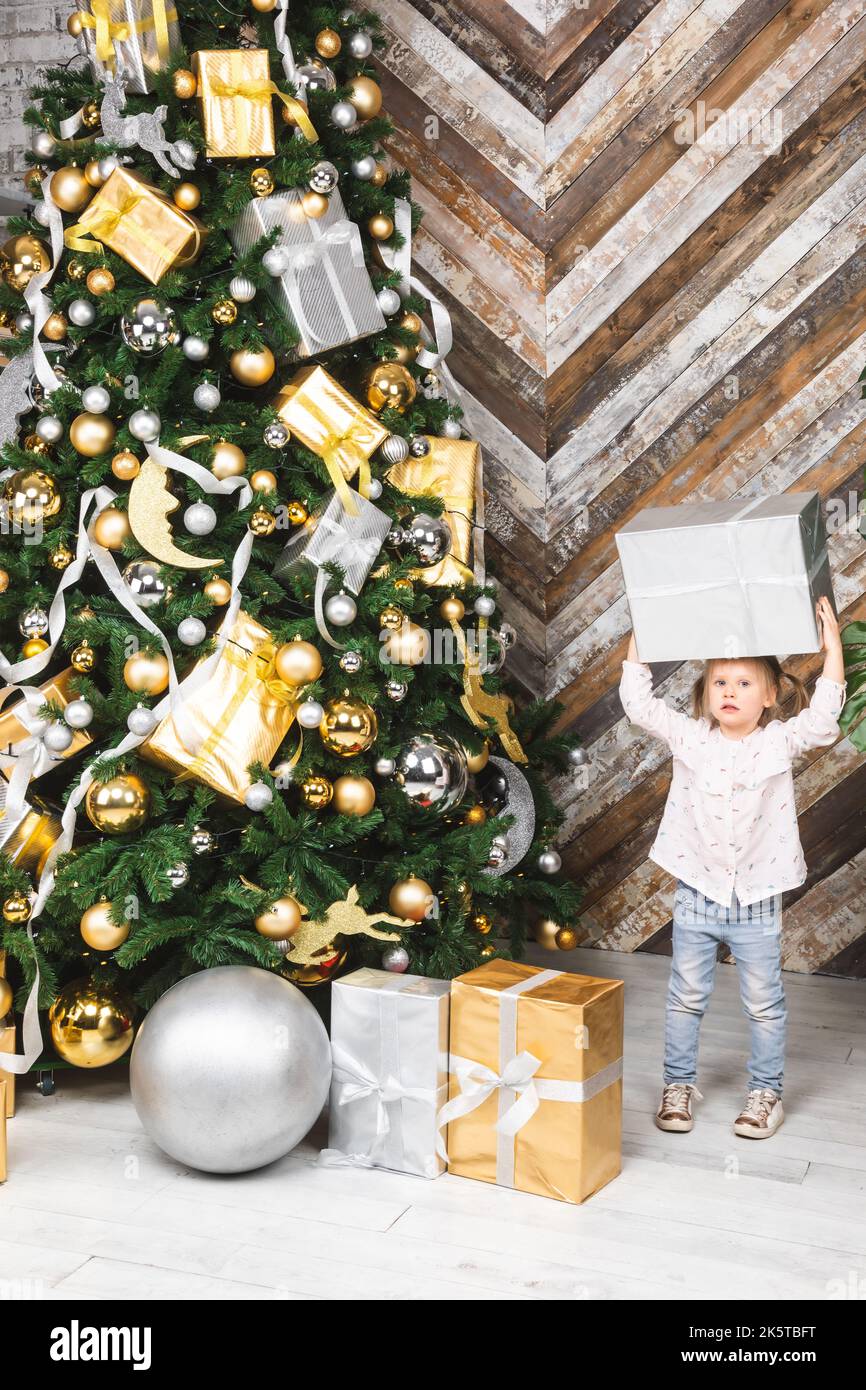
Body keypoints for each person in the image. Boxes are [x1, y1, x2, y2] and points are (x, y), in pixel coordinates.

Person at [619, 596, 846, 1139]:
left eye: (744, 683)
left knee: (764, 1005)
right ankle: (678, 1086)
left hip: (758, 900)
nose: (729, 691)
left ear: (769, 696)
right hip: (697, 894)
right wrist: (644, 627)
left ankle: (766, 1094)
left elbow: (823, 716)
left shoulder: (779, 741)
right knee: (685, 999)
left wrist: (832, 646)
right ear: (705, 692)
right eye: (720, 682)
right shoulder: (690, 737)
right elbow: (638, 702)